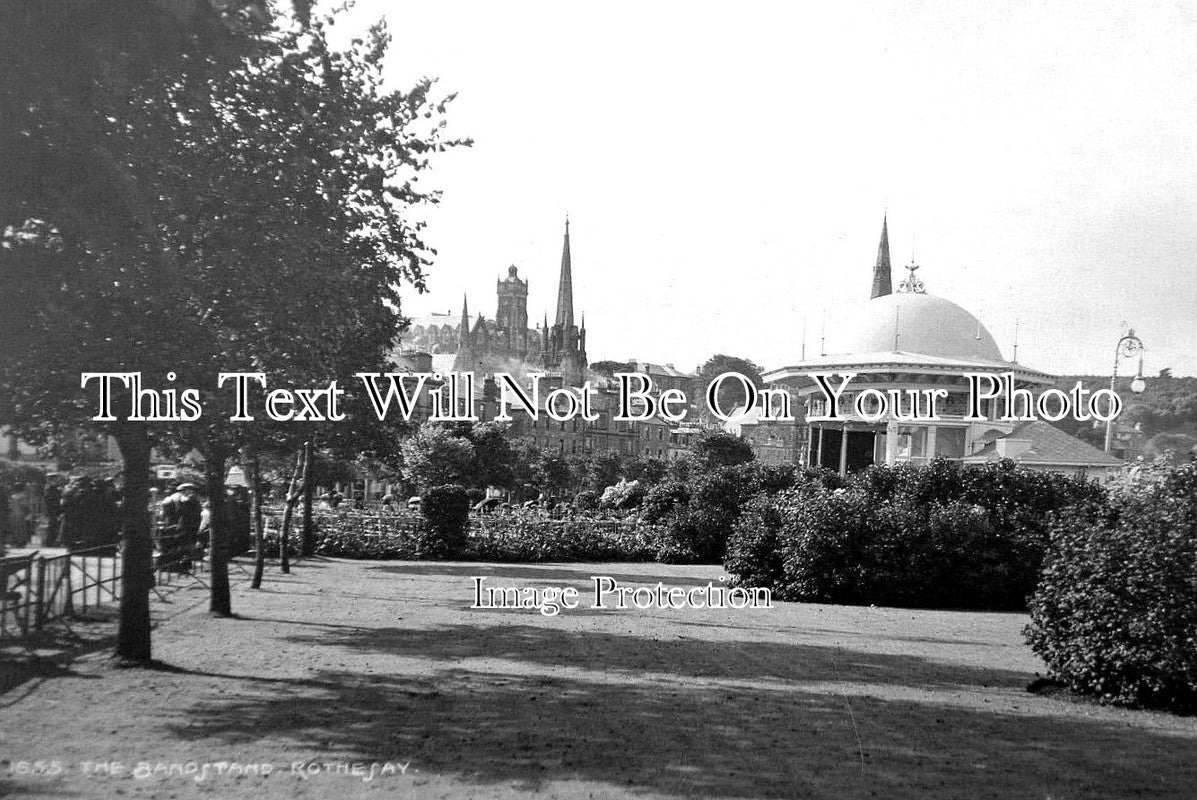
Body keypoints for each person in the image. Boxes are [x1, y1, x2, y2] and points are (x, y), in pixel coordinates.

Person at [159, 483, 202, 571]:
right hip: (182, 526)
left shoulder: (170, 498)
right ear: (186, 490)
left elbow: (164, 514)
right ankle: (179, 566)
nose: (192, 492)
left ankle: (170, 566)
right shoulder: (184, 499)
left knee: (172, 547)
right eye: (191, 490)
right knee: (183, 547)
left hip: (171, 525)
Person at [43, 475, 63, 546]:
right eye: (56, 479)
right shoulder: (50, 488)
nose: (57, 480)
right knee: (53, 526)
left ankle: (51, 541)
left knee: (54, 525)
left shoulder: (51, 488)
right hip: (53, 510)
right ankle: (49, 541)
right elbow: (51, 500)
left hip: (53, 510)